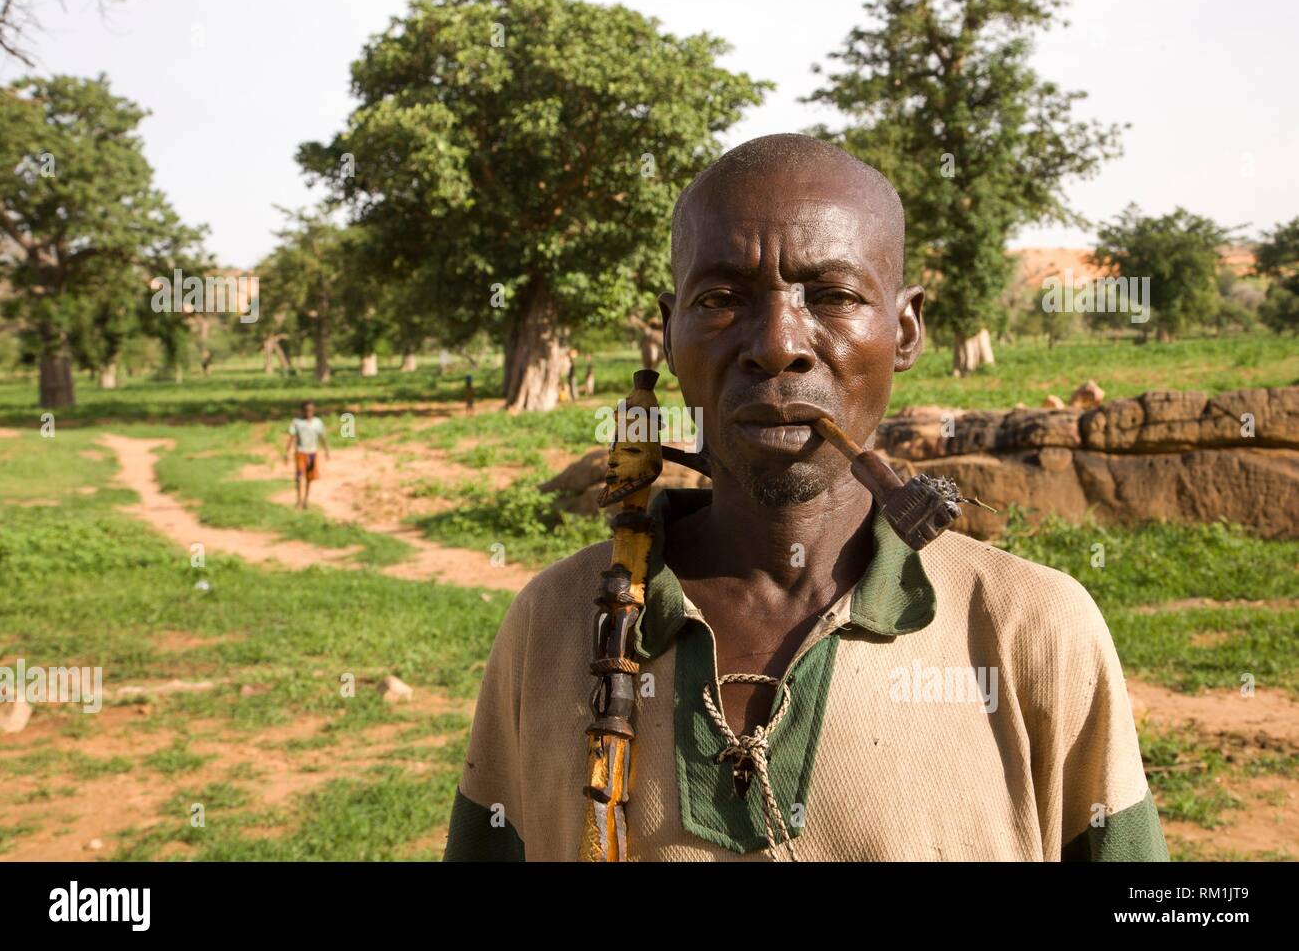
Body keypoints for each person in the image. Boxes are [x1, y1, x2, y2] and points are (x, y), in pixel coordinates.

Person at [443, 134, 1167, 862]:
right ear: (669, 332)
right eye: (722, 298)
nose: (778, 343)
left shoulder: (1032, 630)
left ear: (905, 328)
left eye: (832, 296)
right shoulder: (552, 624)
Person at [283, 400, 330, 510]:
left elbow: (322, 436)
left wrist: (327, 450)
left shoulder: (317, 422)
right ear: (302, 411)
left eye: (311, 410)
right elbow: (292, 438)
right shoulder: (297, 422)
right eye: (306, 410)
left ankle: (306, 500)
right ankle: (298, 499)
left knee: (309, 478)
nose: (308, 412)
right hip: (301, 452)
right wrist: (287, 452)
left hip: (312, 452)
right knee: (299, 477)